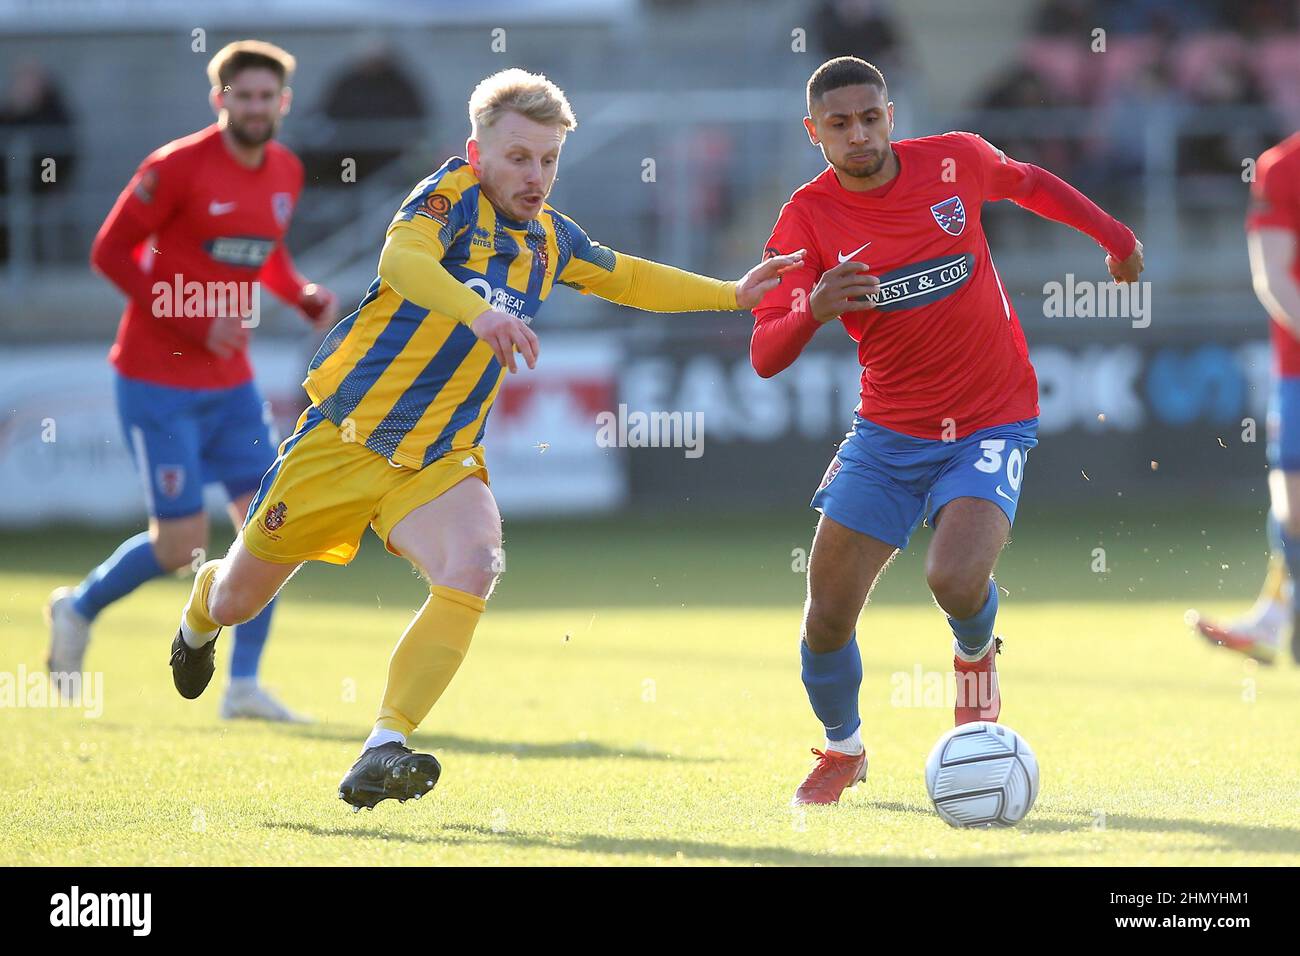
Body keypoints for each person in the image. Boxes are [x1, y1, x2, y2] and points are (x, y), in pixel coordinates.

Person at [165, 68, 802, 809]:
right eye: (520, 157)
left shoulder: (549, 239)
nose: (536, 176)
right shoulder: (448, 199)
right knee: (242, 599)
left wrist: (730, 293)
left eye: (550, 160)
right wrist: (479, 313)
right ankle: (202, 608)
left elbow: (625, 277)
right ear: (477, 153)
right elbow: (399, 263)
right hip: (345, 437)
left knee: (475, 563)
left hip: (439, 456)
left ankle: (384, 742)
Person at [751, 57, 1143, 806]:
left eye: (870, 117)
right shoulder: (805, 220)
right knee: (827, 612)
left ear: (891, 115)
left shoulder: (954, 163)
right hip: (888, 432)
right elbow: (766, 353)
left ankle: (975, 654)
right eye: (840, 124)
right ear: (815, 133)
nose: (859, 135)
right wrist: (814, 309)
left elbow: (1029, 181)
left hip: (992, 416)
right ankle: (844, 750)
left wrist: (1115, 235)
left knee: (954, 577)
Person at [46, 40, 338, 721]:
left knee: (273, 527)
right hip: (157, 380)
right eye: (245, 96)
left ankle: (242, 686)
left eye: (269, 98)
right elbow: (110, 251)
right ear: (222, 99)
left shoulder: (287, 171)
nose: (257, 107)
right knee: (180, 546)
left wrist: (301, 296)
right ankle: (78, 607)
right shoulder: (175, 167)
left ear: (283, 104)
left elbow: (260, 255)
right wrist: (192, 323)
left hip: (231, 386)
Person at [1189, 131, 1300, 665]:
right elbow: (1274, 276)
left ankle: (1275, 620)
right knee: (1292, 504)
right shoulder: (1282, 168)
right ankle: (1277, 618)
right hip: (1297, 369)